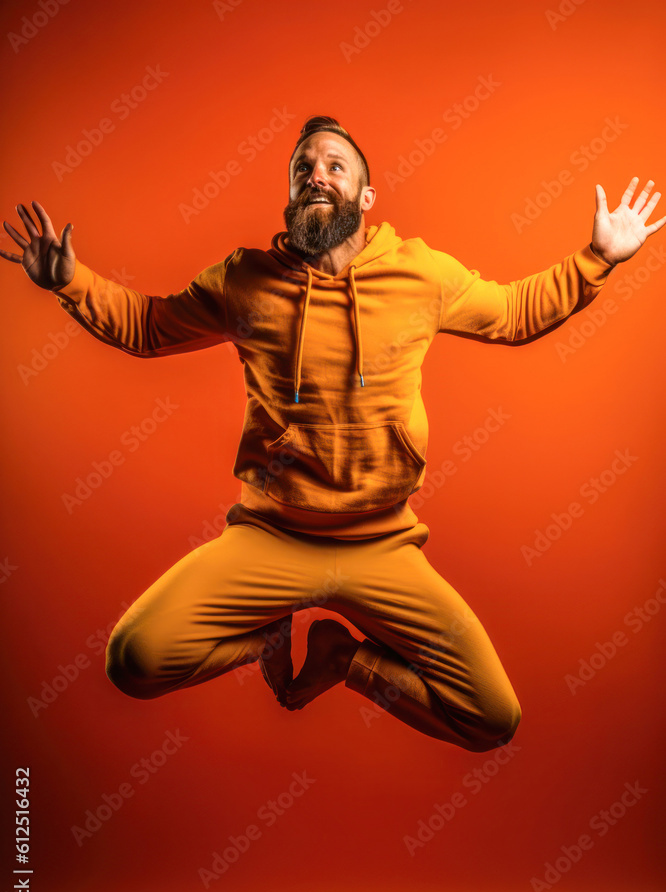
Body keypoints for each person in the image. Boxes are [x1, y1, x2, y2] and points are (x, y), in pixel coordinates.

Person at [3, 115, 663, 753]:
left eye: (335, 166)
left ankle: (344, 659)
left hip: (381, 545)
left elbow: (514, 313)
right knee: (134, 660)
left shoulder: (421, 274)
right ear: (291, 194)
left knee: (492, 717)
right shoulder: (244, 280)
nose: (316, 175)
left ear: (366, 197)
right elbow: (150, 327)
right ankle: (261, 640)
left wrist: (598, 259)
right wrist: (70, 281)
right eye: (303, 168)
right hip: (271, 537)